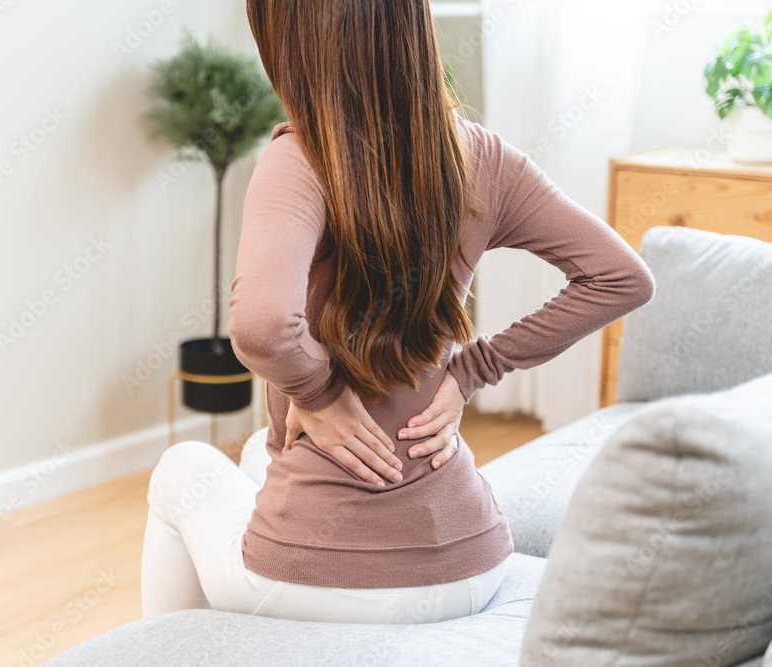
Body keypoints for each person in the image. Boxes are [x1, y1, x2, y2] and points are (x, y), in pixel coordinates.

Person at [141, 0, 656, 625]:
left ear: (296, 44)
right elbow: (622, 276)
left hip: (324, 586)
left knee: (181, 470)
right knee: (259, 451)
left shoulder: (300, 158)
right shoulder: (483, 158)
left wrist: (320, 390)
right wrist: (470, 371)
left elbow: (260, 325)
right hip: (475, 562)